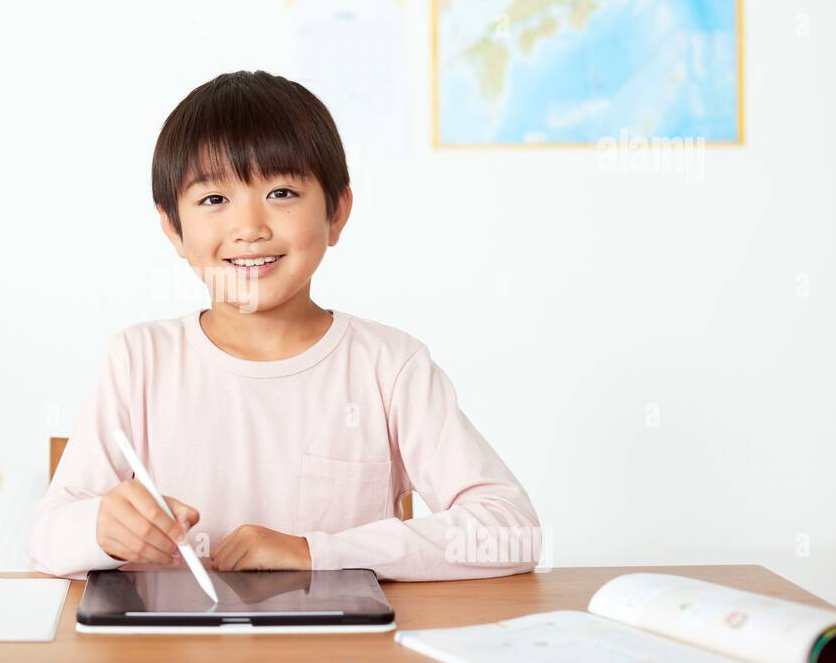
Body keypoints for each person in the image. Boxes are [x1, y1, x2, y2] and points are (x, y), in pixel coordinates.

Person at [29, 70, 542, 582]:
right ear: (172, 227)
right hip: (176, 655)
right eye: (213, 200)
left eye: (281, 193)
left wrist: (315, 553)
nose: (250, 228)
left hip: (336, 656)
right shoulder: (138, 360)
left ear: (337, 212)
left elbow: (512, 530)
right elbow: (47, 538)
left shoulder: (390, 365)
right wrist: (100, 530)